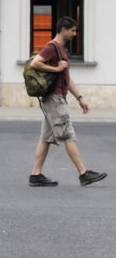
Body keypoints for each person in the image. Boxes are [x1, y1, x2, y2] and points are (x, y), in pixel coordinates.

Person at [27, 17, 105, 187]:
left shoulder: (61, 49)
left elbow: (67, 78)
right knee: (68, 134)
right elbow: (35, 63)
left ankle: (35, 174)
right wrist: (56, 68)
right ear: (63, 29)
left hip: (56, 97)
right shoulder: (51, 47)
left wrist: (80, 98)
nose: (75, 34)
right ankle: (83, 173)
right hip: (54, 98)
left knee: (46, 137)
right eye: (73, 30)